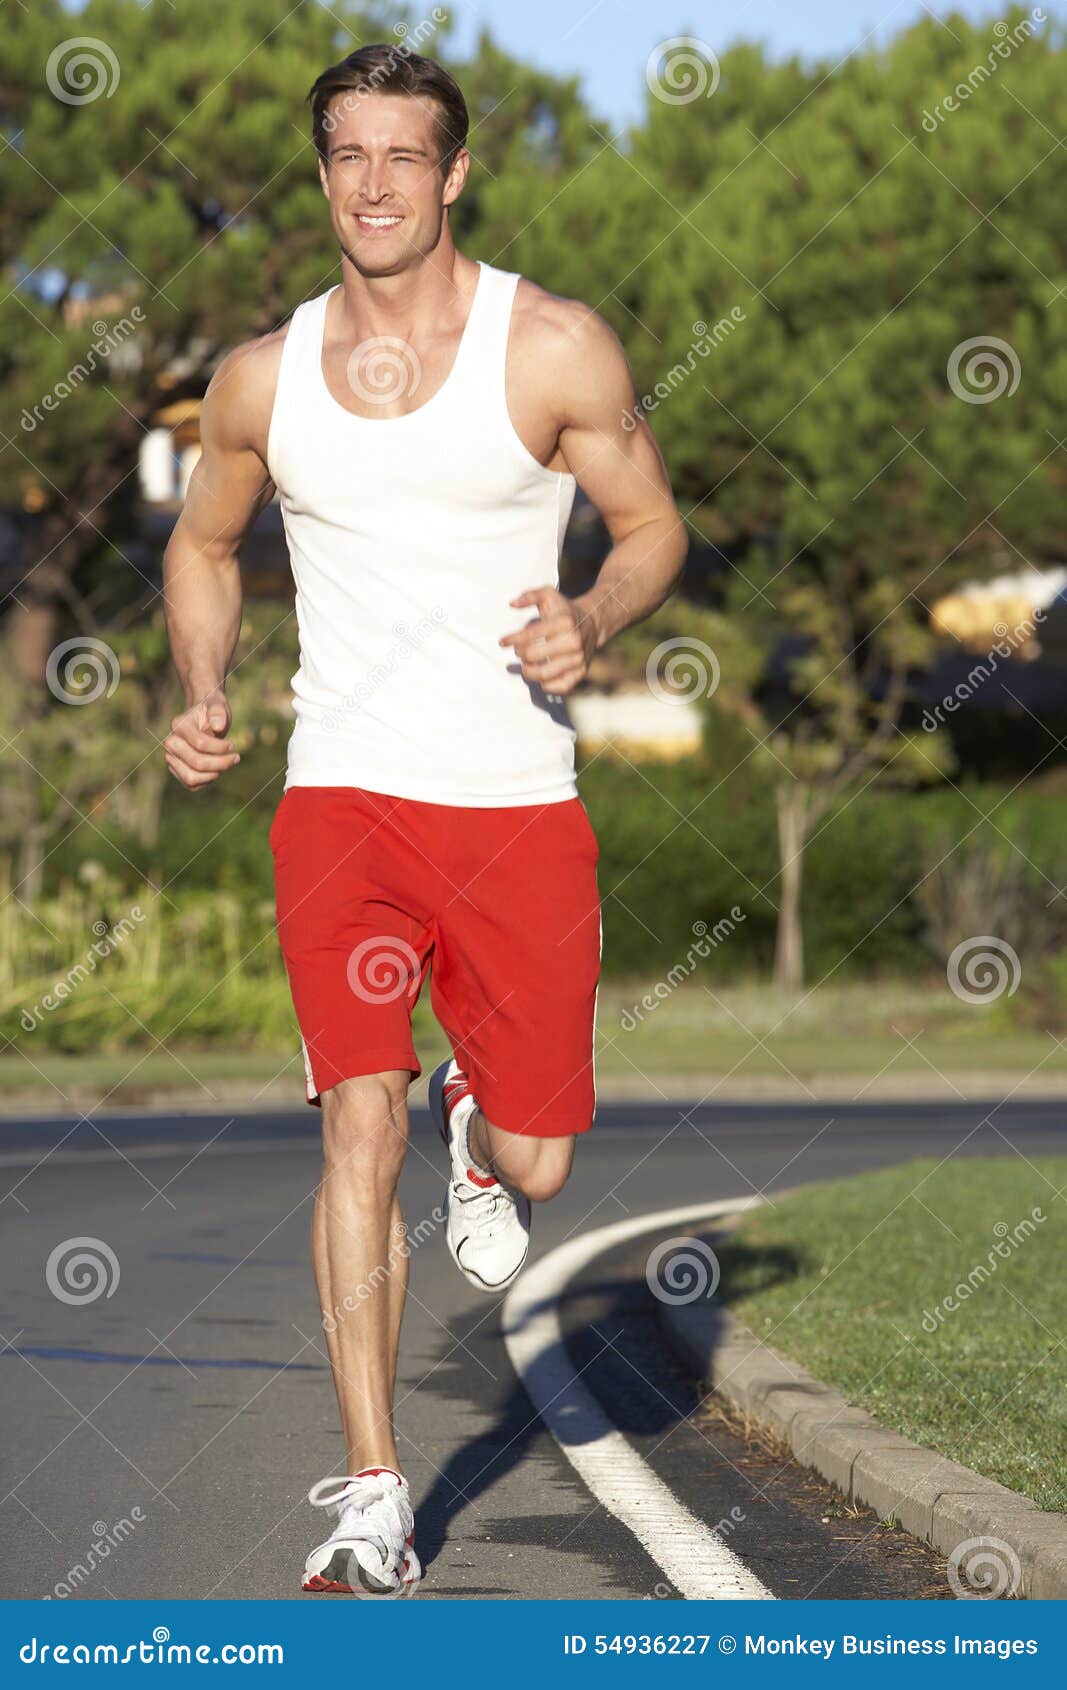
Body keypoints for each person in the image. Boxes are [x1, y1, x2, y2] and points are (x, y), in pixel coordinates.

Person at [161, 43, 686, 1598]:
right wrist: (203, 681)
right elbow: (202, 542)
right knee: (351, 1123)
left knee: (534, 1162)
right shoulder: (261, 375)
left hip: (517, 807)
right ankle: (378, 1497)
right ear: (320, 171)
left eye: (405, 157)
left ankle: (480, 1109)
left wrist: (590, 611)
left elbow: (655, 527)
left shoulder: (552, 348)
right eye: (347, 155)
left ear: (452, 174)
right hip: (344, 802)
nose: (374, 185)